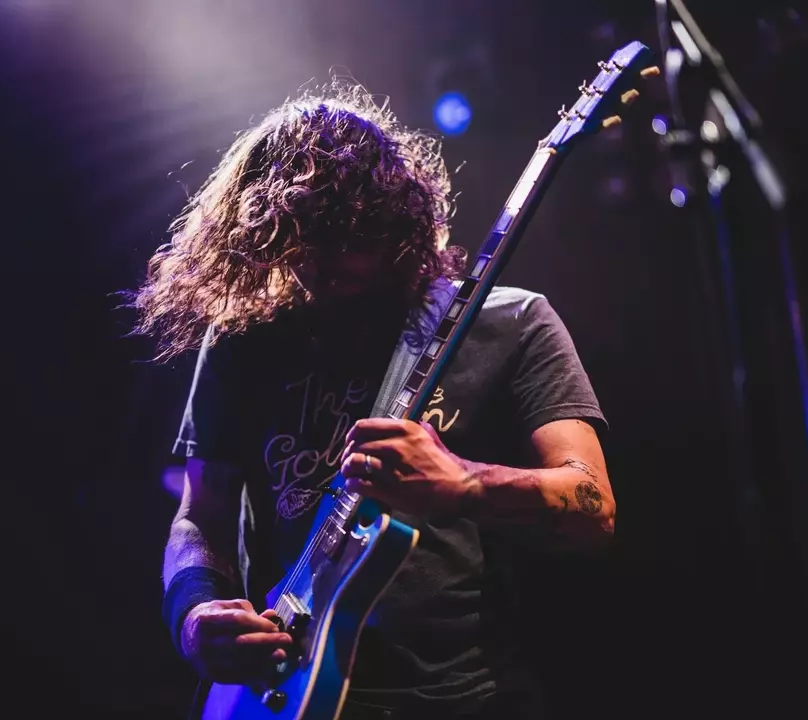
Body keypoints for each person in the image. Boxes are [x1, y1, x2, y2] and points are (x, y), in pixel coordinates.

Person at [135, 83, 614, 719]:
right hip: (279, 692)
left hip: (462, 698)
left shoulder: (513, 323)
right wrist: (194, 612)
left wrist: (465, 482)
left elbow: (593, 506)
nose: (314, 263)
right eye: (293, 237)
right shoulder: (244, 337)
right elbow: (201, 515)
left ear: (395, 221)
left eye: (339, 236)